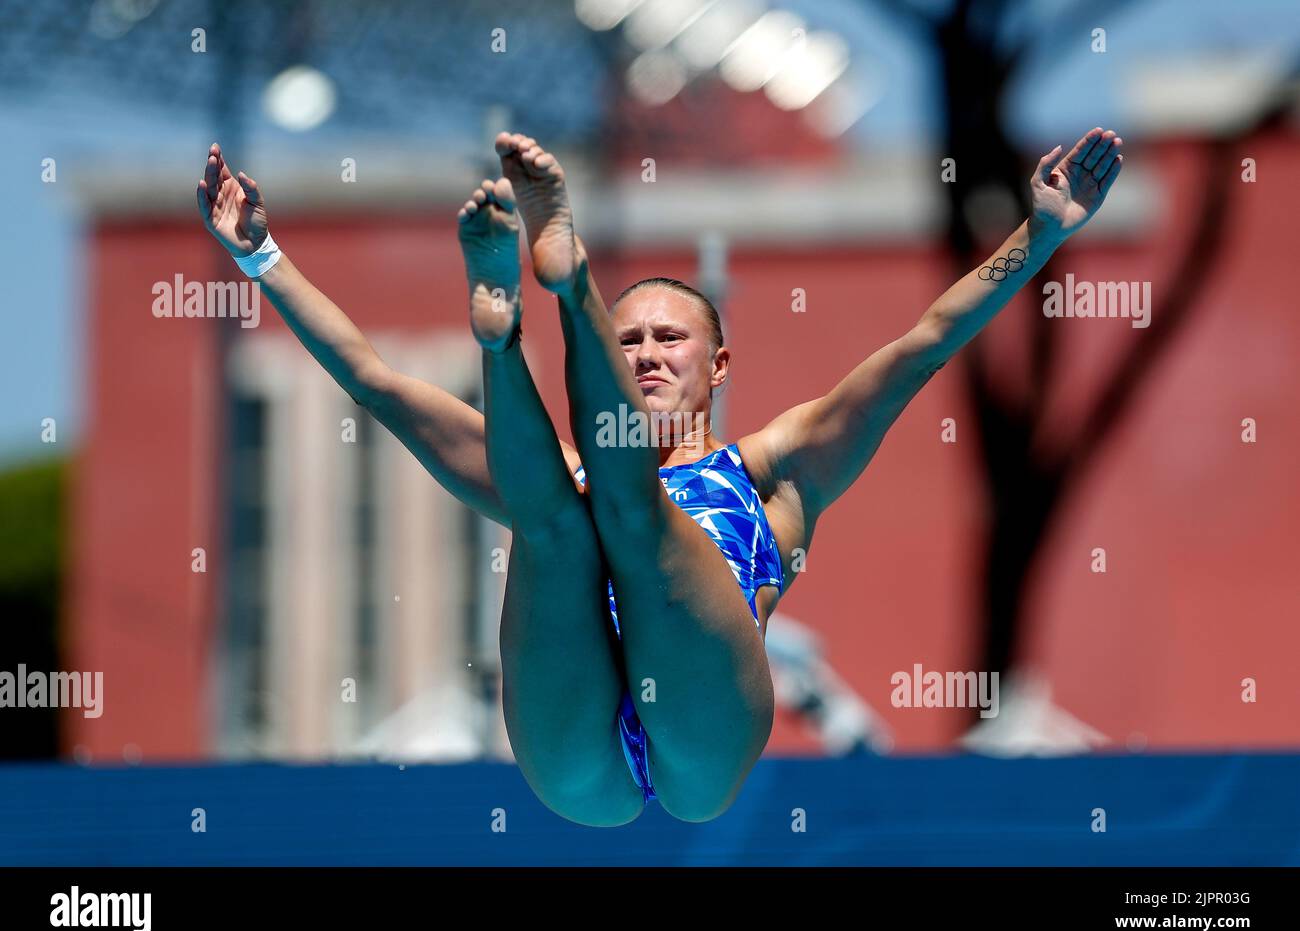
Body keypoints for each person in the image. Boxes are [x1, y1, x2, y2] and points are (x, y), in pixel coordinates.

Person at [197, 127, 1123, 826]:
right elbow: (375, 379)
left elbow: (926, 345)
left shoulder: (777, 467)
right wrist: (256, 254)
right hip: (575, 764)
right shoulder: (551, 473)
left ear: (718, 366)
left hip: (703, 737)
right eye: (629, 338)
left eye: (668, 337)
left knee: (622, 508)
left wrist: (1038, 238)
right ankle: (502, 334)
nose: (646, 356)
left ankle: (566, 281)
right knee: (551, 519)